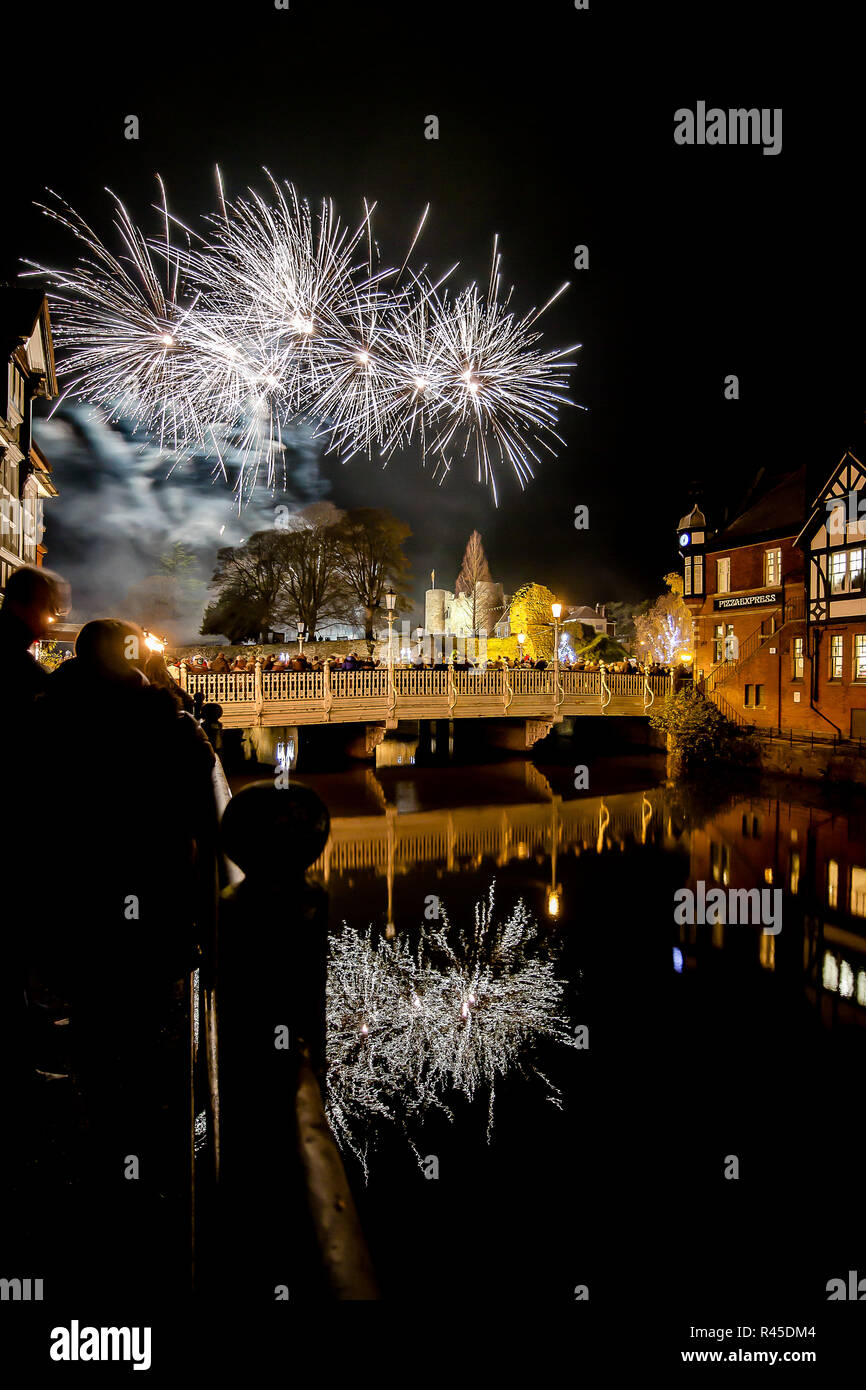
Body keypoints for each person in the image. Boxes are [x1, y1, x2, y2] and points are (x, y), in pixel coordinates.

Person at [0, 565, 70, 720]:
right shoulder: (16, 665)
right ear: (21, 605)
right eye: (48, 606)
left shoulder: (17, 655)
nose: (52, 617)